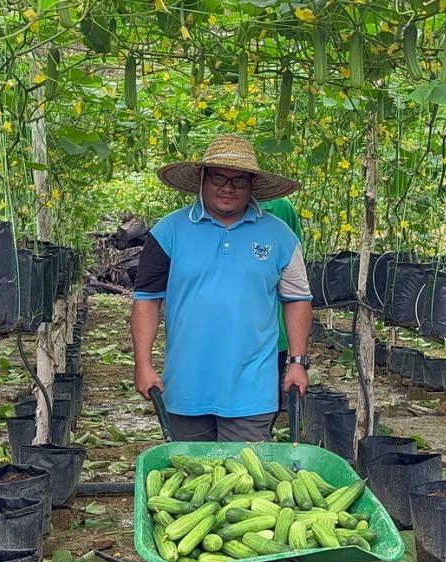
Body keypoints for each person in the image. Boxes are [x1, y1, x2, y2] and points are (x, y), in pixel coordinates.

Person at [131, 134, 313, 442]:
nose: (227, 188)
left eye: (239, 181)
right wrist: (143, 364)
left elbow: (297, 300)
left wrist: (297, 363)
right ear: (202, 179)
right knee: (190, 483)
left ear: (252, 185)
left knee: (247, 482)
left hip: (252, 389)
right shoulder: (168, 231)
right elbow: (146, 301)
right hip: (185, 387)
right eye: (218, 178)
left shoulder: (280, 236)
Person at [259, 197, 304, 412]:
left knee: (266, 398)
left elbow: (294, 263)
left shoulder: (281, 209)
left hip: (273, 329)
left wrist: (298, 360)